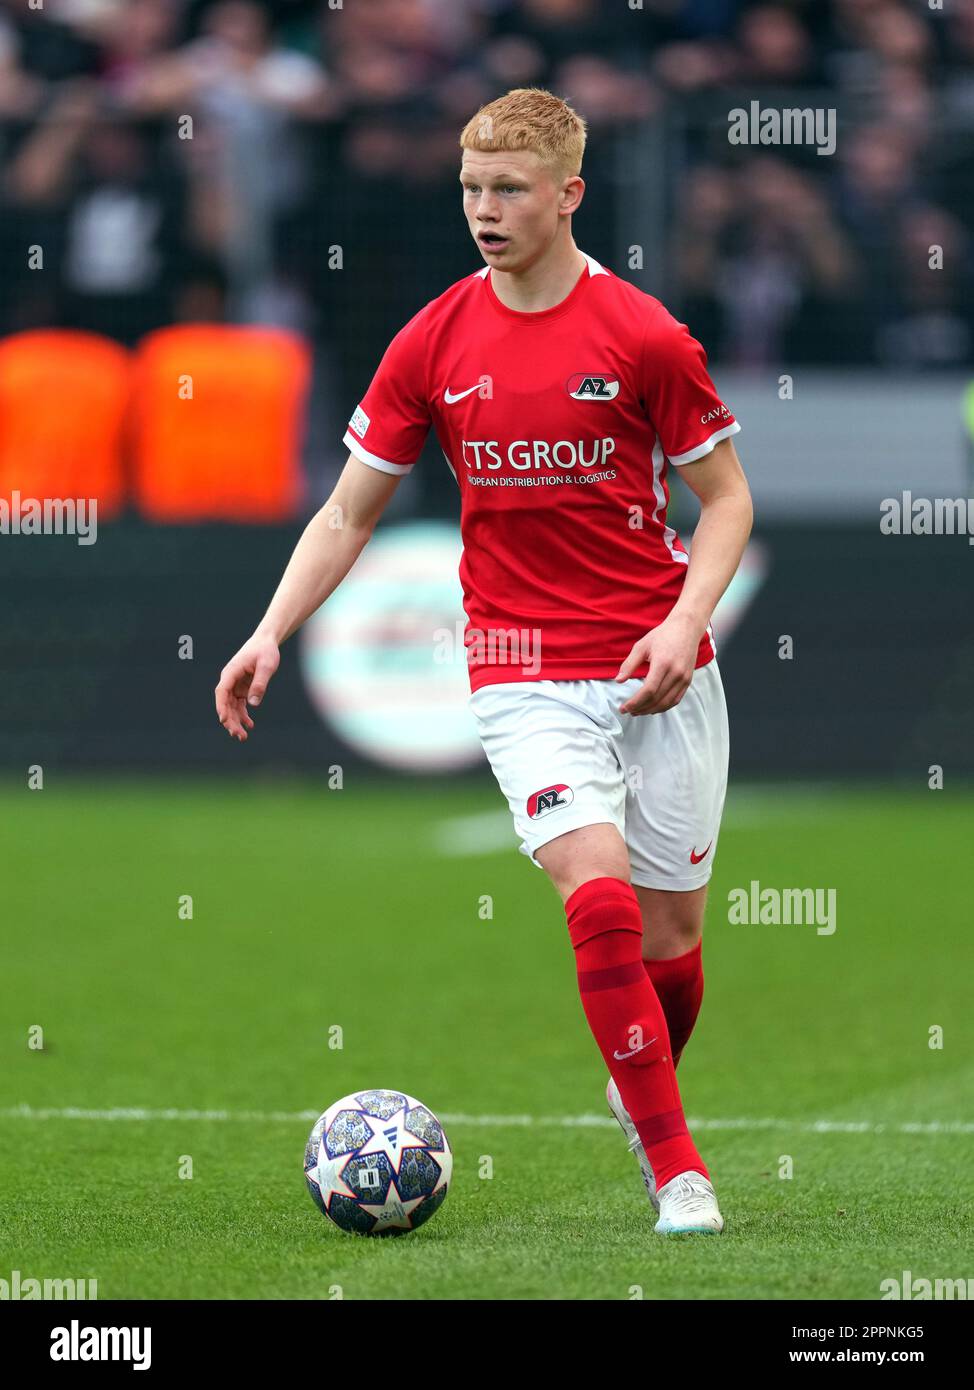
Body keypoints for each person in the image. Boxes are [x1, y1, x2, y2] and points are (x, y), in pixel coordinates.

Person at [215, 87, 753, 1236]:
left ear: (568, 194)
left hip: (657, 662)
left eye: (509, 189)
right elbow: (348, 513)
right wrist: (269, 629)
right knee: (597, 896)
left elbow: (724, 501)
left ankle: (636, 1071)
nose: (484, 210)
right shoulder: (434, 336)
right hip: (517, 666)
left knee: (670, 941)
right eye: (470, 188)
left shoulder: (645, 335)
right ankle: (677, 1173)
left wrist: (679, 620)